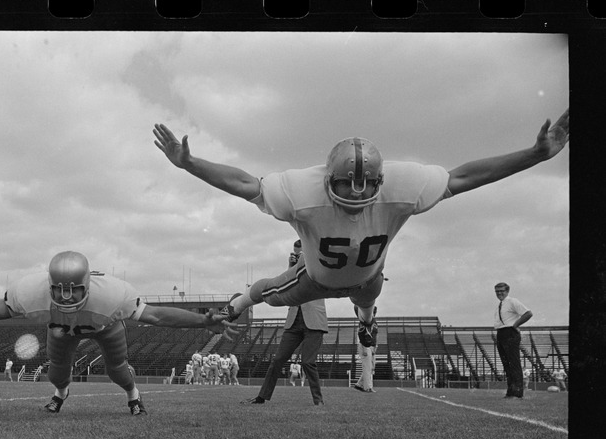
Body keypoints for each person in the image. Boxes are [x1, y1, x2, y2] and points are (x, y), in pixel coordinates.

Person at [153, 110, 568, 342]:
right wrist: (190, 163)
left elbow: (465, 178)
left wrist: (533, 155)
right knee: (269, 293)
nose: (356, 193)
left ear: (382, 180)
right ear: (326, 179)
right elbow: (244, 184)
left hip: (368, 276)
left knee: (367, 297)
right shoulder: (301, 189)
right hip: (315, 278)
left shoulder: (405, 185)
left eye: (368, 184)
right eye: (346, 185)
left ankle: (366, 321)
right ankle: (235, 306)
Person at [0, 250, 239, 416]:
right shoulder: (30, 291)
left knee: (116, 370)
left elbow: (154, 314)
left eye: (74, 289)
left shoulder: (112, 295)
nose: (67, 296)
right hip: (60, 329)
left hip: (104, 325)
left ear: (89, 282)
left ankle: (133, 396)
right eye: (59, 289)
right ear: (48, 284)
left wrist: (200, 322)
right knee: (57, 371)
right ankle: (60, 394)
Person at [244, 241, 328, 406]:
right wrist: (291, 266)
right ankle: (262, 397)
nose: (298, 256)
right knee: (278, 360)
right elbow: (287, 287)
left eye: (301, 253)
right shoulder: (294, 270)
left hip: (314, 321)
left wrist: (303, 259)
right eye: (296, 253)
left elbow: (312, 277)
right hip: (294, 321)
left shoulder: (319, 266)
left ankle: (318, 401)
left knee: (308, 362)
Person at [494, 282, 532, 399]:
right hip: (501, 333)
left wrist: (515, 325)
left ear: (507, 291)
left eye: (502, 291)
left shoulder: (512, 301)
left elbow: (528, 313)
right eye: (497, 291)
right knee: (506, 364)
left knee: (513, 363)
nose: (499, 293)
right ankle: (510, 391)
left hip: (510, 332)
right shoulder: (500, 305)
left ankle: (517, 393)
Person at [354, 309, 378, 393]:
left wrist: (375, 346)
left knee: (371, 368)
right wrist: (364, 347)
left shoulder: (374, 322)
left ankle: (359, 384)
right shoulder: (363, 322)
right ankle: (368, 387)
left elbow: (375, 335)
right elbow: (361, 336)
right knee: (367, 367)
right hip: (365, 345)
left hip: (372, 346)